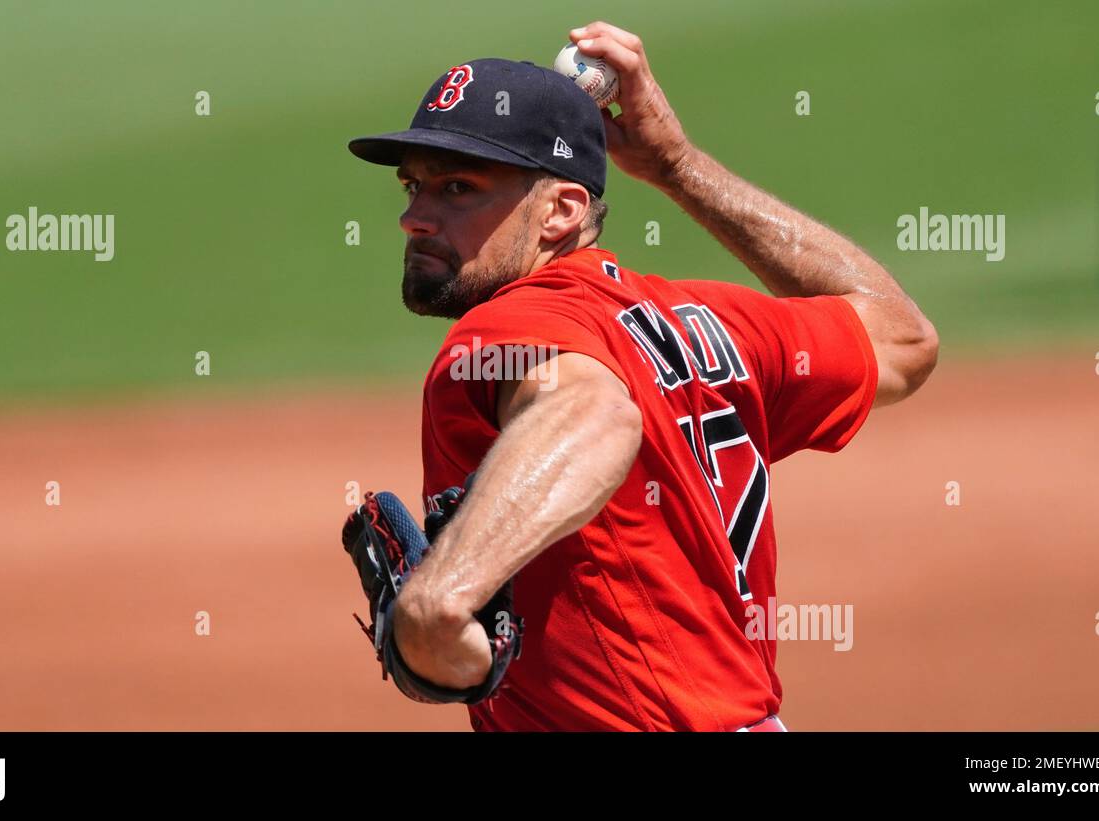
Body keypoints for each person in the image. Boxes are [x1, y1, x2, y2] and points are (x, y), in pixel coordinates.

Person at [346, 21, 938, 731]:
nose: (415, 216)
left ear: (561, 212)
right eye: (414, 185)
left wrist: (437, 599)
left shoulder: (502, 328)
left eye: (458, 188)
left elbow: (595, 415)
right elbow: (902, 337)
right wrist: (677, 166)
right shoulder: (715, 325)